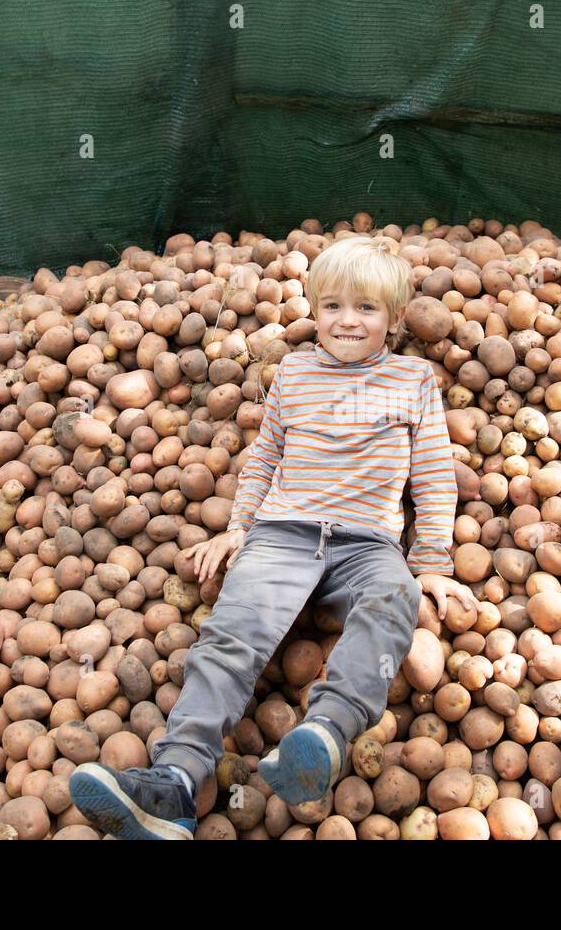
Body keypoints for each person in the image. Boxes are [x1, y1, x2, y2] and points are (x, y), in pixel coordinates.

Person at [70, 236, 477, 839]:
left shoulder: (413, 379)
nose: (347, 321)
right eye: (333, 305)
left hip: (368, 545)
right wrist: (236, 530)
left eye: (366, 309)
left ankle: (327, 735)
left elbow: (434, 474)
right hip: (283, 534)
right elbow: (264, 459)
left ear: (394, 320)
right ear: (314, 307)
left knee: (395, 602)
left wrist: (434, 561)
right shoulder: (294, 372)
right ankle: (174, 782)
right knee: (229, 634)